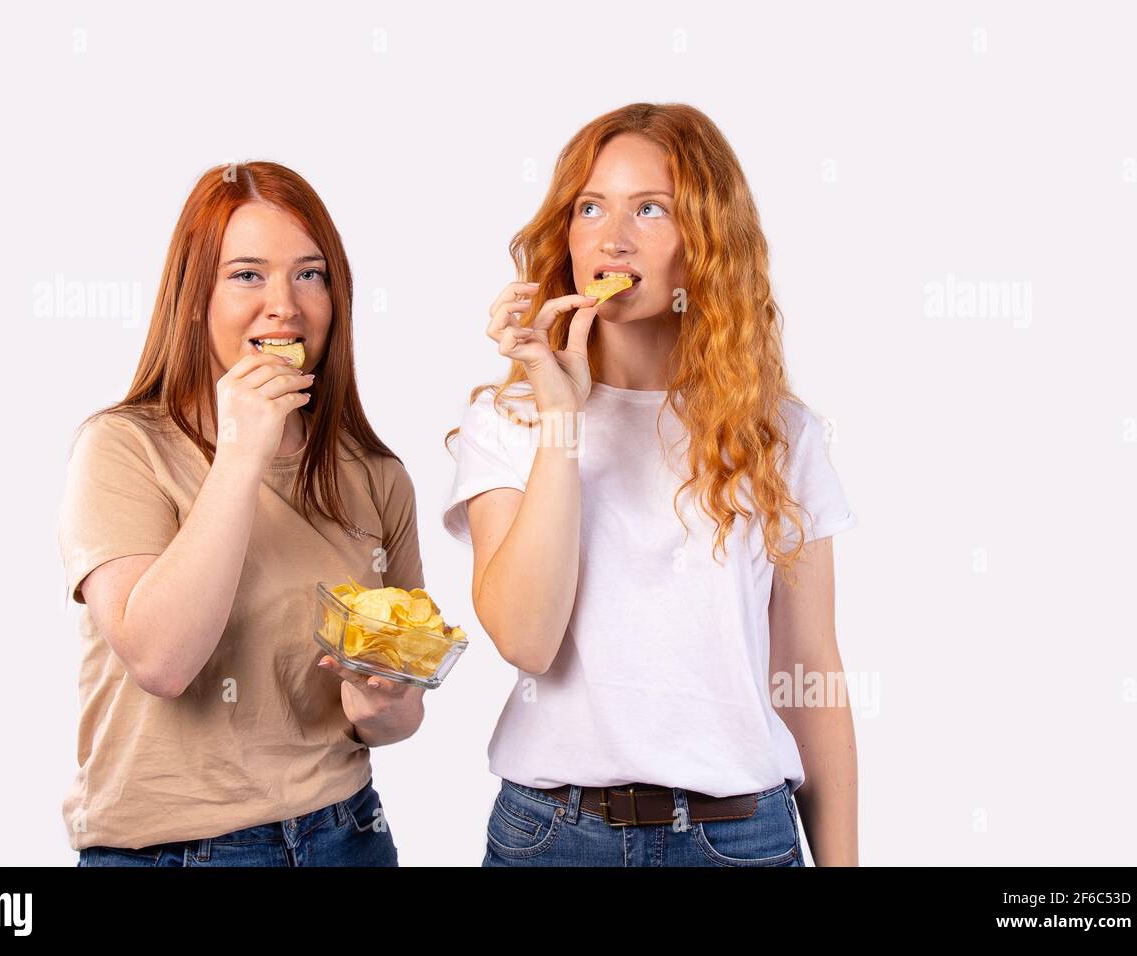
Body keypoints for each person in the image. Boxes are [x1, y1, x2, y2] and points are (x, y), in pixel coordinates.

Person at [443, 104, 860, 867]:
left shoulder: (781, 434)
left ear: (705, 241)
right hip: (549, 839)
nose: (613, 237)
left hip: (740, 839)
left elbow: (810, 670)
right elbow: (526, 641)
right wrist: (562, 421)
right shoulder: (509, 422)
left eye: (651, 209)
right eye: (591, 207)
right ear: (564, 236)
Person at [59, 161, 424, 866]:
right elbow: (160, 662)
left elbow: (398, 713)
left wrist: (383, 707)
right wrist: (240, 455)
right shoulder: (121, 449)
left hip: (345, 836)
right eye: (248, 275)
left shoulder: (377, 476)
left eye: (309, 275)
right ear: (197, 298)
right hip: (172, 853)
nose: (283, 305)